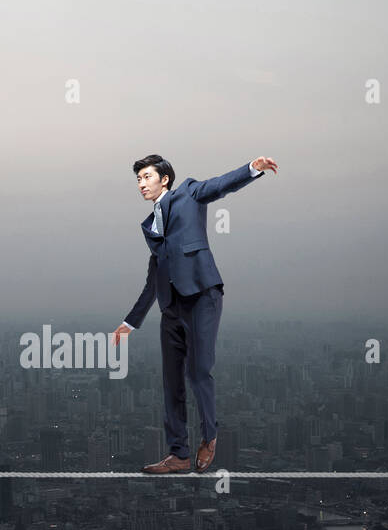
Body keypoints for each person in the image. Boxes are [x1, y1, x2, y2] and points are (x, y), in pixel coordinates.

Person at [113, 154, 277, 473]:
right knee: (171, 381)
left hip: (201, 293)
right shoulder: (150, 225)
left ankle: (210, 437)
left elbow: (219, 186)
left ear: (165, 179)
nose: (141, 183)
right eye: (138, 179)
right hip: (171, 305)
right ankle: (179, 454)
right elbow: (154, 275)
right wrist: (129, 322)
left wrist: (251, 170)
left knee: (198, 371)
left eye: (147, 176)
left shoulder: (188, 192)